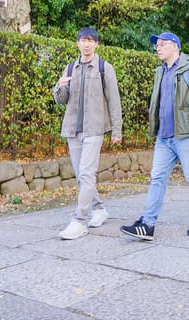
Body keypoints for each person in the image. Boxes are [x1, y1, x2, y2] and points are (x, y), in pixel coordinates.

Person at [120, 31, 189, 241]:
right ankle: (147, 224)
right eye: (157, 44)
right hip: (164, 137)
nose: (158, 47)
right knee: (157, 178)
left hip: (186, 135)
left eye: (163, 44)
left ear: (175, 45)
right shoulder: (161, 71)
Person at [54, 27, 122, 240]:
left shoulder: (104, 68)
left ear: (96, 44)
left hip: (94, 129)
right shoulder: (69, 68)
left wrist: (117, 130)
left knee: (86, 174)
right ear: (77, 43)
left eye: (90, 41)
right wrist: (59, 86)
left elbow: (114, 100)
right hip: (72, 129)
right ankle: (99, 208)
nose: (86, 44)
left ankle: (79, 221)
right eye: (83, 40)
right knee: (82, 177)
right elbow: (61, 100)